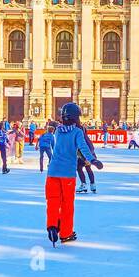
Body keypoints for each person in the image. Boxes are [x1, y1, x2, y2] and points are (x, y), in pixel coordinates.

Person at [44, 102, 102, 245]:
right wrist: (93, 160)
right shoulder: (77, 132)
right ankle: (66, 233)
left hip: (52, 172)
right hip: (67, 174)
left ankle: (52, 226)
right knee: (67, 204)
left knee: (52, 201)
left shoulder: (58, 131)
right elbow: (83, 148)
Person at [76, 128, 99, 193]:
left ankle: (84, 184)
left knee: (79, 168)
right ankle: (93, 185)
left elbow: (80, 150)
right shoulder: (86, 138)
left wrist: (86, 159)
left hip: (85, 156)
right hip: (89, 156)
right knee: (88, 168)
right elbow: (92, 148)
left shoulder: (81, 138)